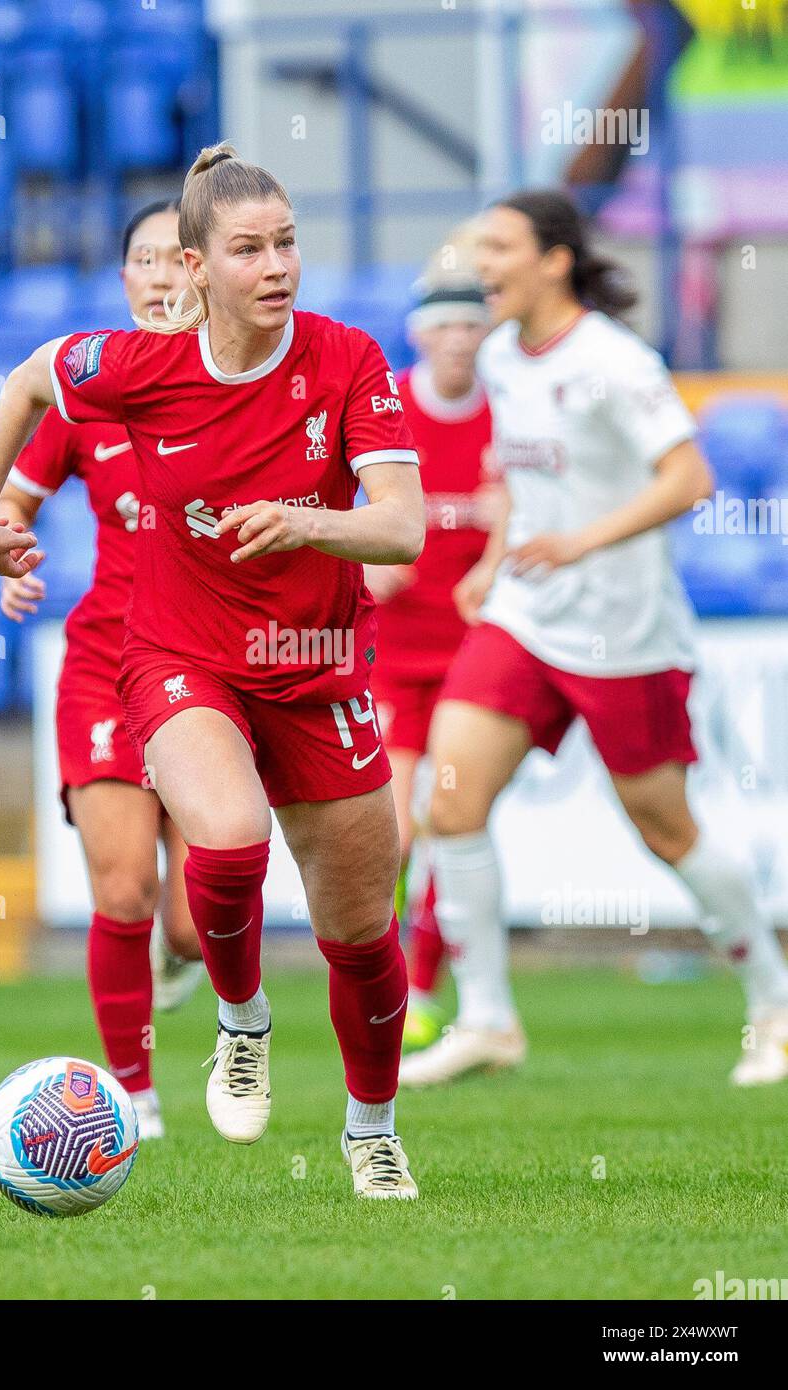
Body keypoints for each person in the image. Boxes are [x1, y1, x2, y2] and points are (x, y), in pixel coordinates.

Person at [0, 143, 427, 1198]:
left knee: (361, 935)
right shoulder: (142, 366)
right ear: (197, 265)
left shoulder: (349, 361)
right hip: (179, 657)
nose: (278, 267)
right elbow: (33, 375)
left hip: (317, 664)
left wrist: (307, 521)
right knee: (225, 833)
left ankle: (371, 1128)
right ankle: (243, 1021)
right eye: (250, 249)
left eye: (289, 243)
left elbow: (402, 528)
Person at [401, 189, 788, 1089]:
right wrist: (494, 560)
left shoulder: (614, 362)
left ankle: (771, 1002)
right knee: (448, 804)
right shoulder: (499, 355)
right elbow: (526, 486)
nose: (481, 266)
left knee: (666, 829)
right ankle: (489, 1020)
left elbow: (688, 478)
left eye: (498, 248)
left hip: (624, 635)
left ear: (554, 260)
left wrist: (579, 541)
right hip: (525, 619)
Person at [0, 201, 204, 1141]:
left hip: (214, 669)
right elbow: (13, 496)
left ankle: (182, 961)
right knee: (124, 890)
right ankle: (132, 1094)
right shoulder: (92, 390)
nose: (160, 275)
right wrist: (7, 550)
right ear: (125, 279)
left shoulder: (244, 381)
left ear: (205, 273)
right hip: (108, 664)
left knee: (199, 923)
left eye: (175, 258)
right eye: (143, 259)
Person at [363, 278, 496, 1051]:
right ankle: (381, 980)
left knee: (449, 824)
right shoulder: (388, 409)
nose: (457, 338)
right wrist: (363, 563)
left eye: (470, 325)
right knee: (393, 832)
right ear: (419, 335)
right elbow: (332, 500)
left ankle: (421, 991)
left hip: (474, 656)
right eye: (443, 324)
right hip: (392, 653)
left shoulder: (504, 416)